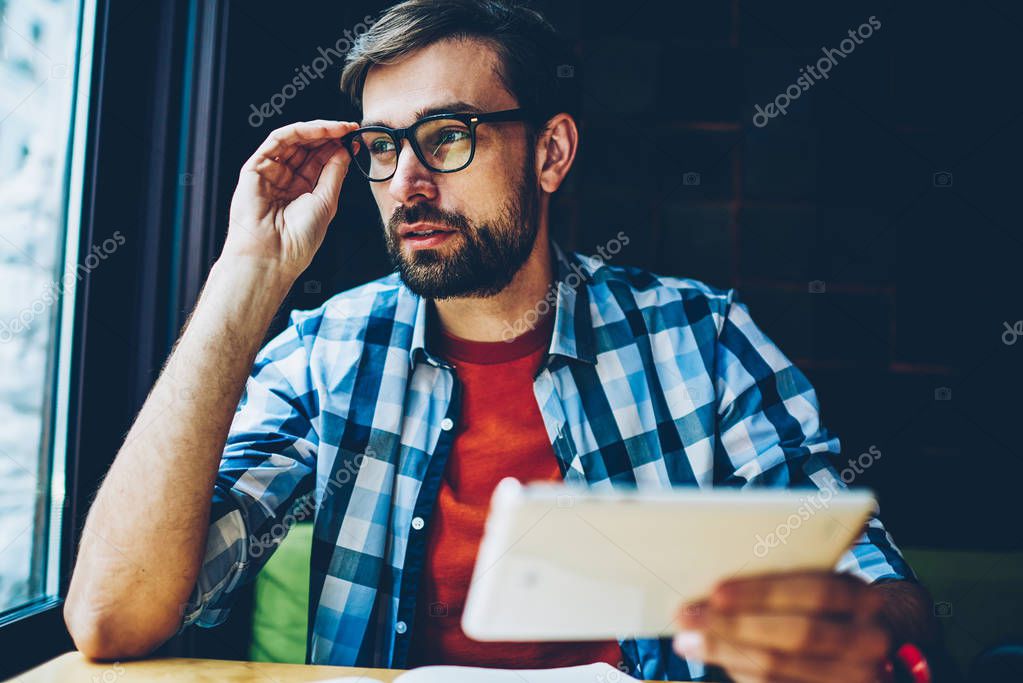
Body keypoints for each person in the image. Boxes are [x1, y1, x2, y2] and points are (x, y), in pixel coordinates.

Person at [64, 1, 941, 680]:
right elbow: (116, 614)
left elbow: (884, 594)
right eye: (379, 147)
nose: (405, 182)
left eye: (446, 136)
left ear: (551, 152)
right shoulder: (327, 355)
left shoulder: (702, 340)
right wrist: (244, 277)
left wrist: (860, 634)